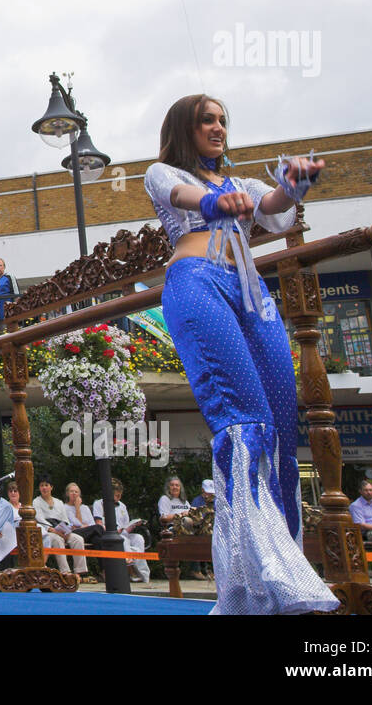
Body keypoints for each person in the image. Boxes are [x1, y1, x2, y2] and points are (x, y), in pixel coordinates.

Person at [143, 93, 337, 614]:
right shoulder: (160, 171)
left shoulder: (243, 183)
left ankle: (285, 565)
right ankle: (257, 584)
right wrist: (210, 203)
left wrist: (292, 185)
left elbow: (273, 212)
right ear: (186, 127)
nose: (218, 127)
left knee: (279, 423)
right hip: (198, 284)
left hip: (251, 293)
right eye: (207, 119)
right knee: (244, 423)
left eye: (223, 120)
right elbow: (181, 194)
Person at [30, 476, 90, 581]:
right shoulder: (36, 501)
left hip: (61, 528)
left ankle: (79, 572)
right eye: (42, 485)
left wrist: (66, 530)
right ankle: (65, 572)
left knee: (78, 539)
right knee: (56, 539)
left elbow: (65, 519)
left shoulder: (58, 502)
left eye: (46, 485)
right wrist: (52, 530)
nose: (44, 488)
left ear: (51, 487)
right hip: (47, 530)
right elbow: (39, 519)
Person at [93, 478, 151, 583]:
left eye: (120, 495)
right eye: (116, 495)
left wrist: (132, 525)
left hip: (123, 533)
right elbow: (99, 524)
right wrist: (114, 531)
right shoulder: (99, 504)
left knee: (139, 538)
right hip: (109, 534)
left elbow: (126, 524)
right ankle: (131, 570)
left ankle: (143, 574)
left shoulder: (122, 505)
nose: (119, 498)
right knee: (123, 540)